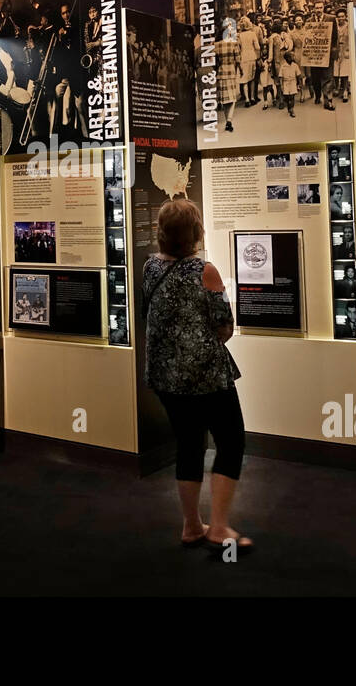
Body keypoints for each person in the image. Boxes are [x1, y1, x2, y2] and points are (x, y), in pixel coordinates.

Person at [142, 199, 250, 552]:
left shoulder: (150, 269)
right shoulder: (206, 271)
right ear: (195, 232)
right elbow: (225, 326)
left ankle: (191, 526)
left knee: (188, 444)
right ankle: (218, 526)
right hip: (205, 376)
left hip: (165, 377)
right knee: (231, 441)